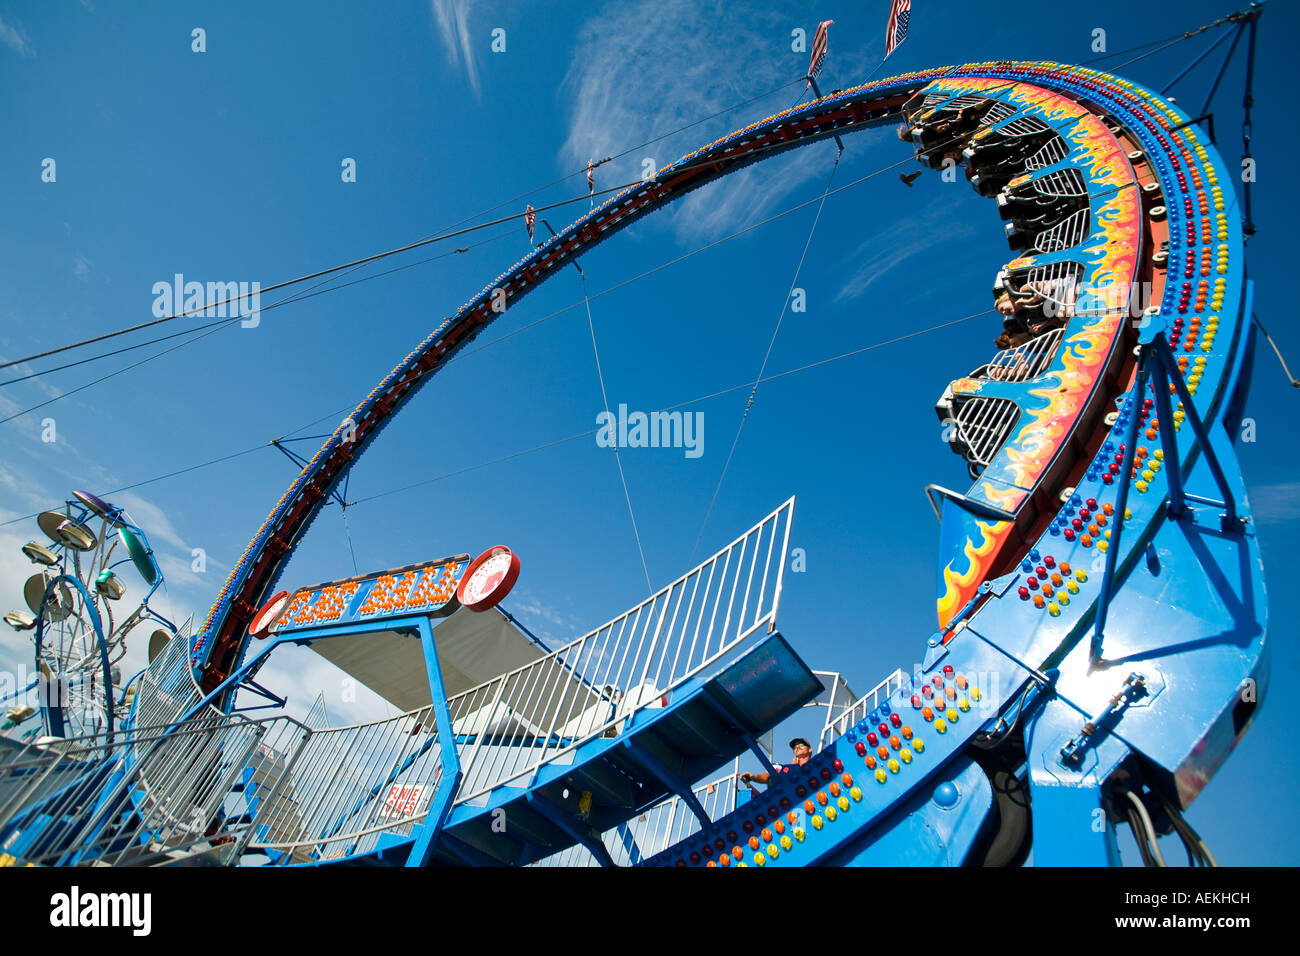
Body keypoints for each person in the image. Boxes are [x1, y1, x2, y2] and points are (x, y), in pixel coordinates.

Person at [737, 738, 813, 787]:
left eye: (801, 744)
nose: (797, 747)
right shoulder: (785, 768)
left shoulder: (816, 766)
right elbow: (768, 775)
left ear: (810, 749)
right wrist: (752, 777)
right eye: (794, 747)